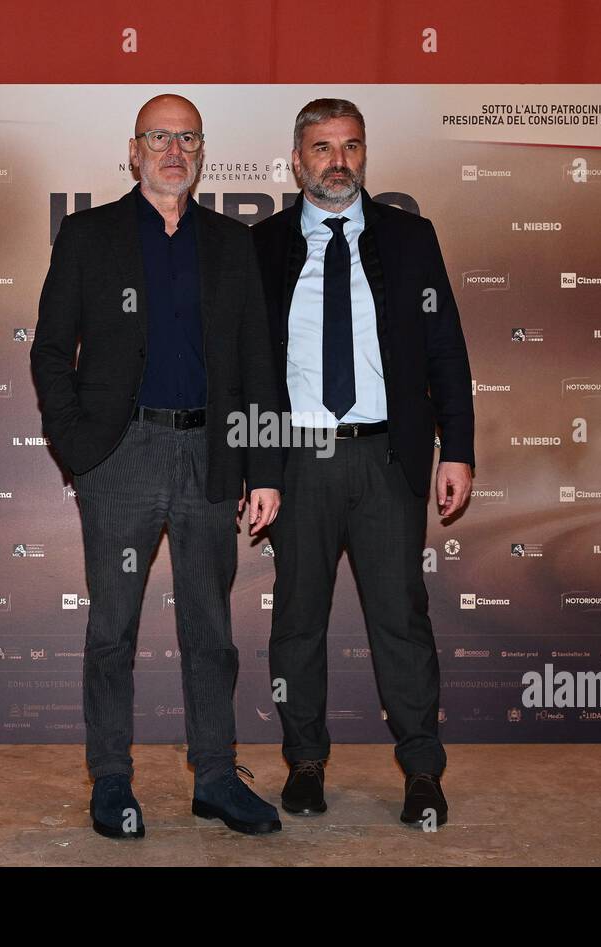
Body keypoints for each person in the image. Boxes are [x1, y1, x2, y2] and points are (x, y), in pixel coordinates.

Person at [31, 93, 284, 838]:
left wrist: (263, 467)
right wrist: (80, 448)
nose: (174, 150)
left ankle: (214, 777)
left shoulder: (232, 246)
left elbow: (258, 367)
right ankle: (111, 780)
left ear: (201, 154)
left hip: (211, 455)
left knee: (211, 629)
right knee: (113, 626)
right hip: (122, 456)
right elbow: (51, 350)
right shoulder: (89, 236)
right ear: (134, 150)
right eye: (159, 137)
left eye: (188, 139)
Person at [251, 98, 475, 828]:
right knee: (297, 621)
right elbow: (245, 369)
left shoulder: (412, 239)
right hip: (299, 462)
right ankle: (306, 762)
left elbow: (446, 349)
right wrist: (254, 466)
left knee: (401, 620)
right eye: (321, 147)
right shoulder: (262, 246)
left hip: (387, 458)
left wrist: (460, 450)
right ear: (297, 160)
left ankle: (421, 771)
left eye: (350, 146)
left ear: (364, 155)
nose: (337, 161)